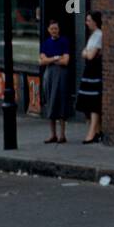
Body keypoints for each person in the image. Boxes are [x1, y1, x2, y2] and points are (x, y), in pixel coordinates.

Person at [40, 19, 71, 143]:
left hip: (61, 74)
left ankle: (62, 135)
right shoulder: (46, 43)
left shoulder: (64, 41)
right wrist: (57, 58)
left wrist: (50, 59)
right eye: (52, 29)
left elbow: (66, 61)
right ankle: (53, 134)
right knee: (50, 102)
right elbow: (42, 61)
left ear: (59, 29)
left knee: (61, 102)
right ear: (48, 30)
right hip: (49, 75)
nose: (54, 31)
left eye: (56, 28)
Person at [76, 10, 103, 143]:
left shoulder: (99, 35)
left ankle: (92, 133)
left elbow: (90, 55)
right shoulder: (93, 35)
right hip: (89, 70)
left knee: (93, 102)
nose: (86, 23)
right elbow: (84, 52)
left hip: (94, 71)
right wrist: (87, 52)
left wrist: (87, 53)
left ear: (95, 22)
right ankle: (97, 131)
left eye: (89, 20)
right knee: (87, 101)